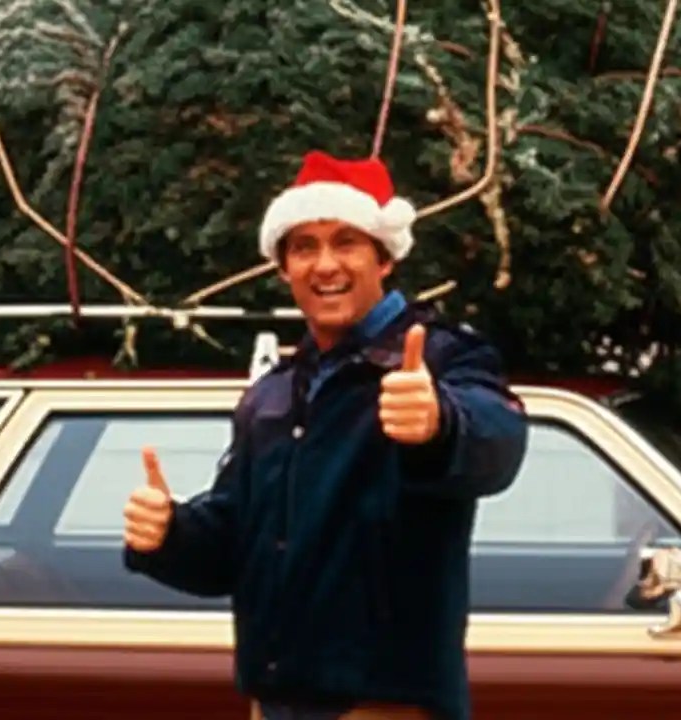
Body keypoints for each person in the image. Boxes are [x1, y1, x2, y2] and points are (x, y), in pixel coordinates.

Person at [123, 150, 528, 720]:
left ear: (384, 258)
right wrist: (168, 535)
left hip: (383, 705)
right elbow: (235, 544)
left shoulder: (439, 358)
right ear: (283, 267)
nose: (325, 264)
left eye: (346, 242)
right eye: (304, 247)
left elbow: (500, 442)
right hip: (275, 701)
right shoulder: (275, 390)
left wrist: (441, 424)